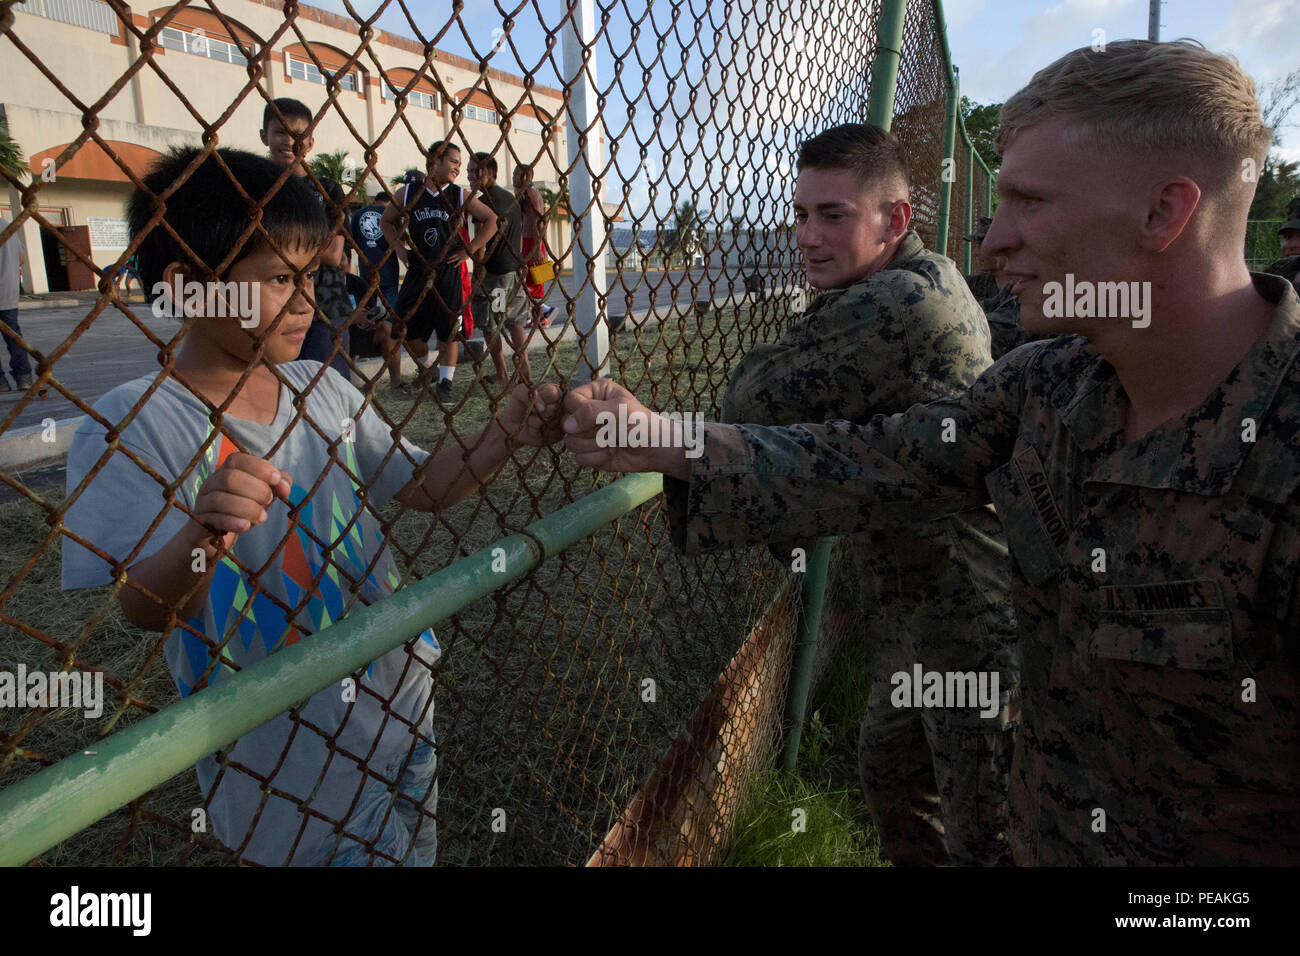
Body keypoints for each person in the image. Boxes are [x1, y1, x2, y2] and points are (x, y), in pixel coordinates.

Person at [561, 39, 1300, 865]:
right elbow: (884, 460)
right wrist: (664, 437)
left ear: (1164, 213)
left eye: (1029, 202)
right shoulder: (1048, 385)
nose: (991, 245)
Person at [60, 146, 557, 866]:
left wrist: (504, 434)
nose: (305, 301)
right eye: (277, 279)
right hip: (282, 759)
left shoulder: (319, 387)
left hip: (397, 699)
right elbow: (143, 606)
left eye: (311, 276)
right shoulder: (131, 423)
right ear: (188, 287)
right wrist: (204, 531)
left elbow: (422, 484)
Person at [717, 123, 1017, 866]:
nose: (808, 237)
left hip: (967, 621)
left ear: (895, 219)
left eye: (834, 216)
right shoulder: (927, 274)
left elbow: (749, 396)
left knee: (987, 835)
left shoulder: (894, 304)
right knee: (897, 789)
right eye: (801, 215)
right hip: (919, 604)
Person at [382, 141, 497, 406]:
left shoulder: (458, 194)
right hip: (418, 269)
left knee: (449, 332)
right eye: (454, 161)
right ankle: (427, 366)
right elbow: (386, 221)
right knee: (403, 332)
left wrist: (469, 250)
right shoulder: (409, 192)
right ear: (436, 159)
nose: (458, 167)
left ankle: (446, 383)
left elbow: (491, 221)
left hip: (449, 270)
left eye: (460, 163)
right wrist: (399, 248)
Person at [260, 97, 352, 379]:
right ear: (264, 136)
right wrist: (311, 248)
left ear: (311, 142)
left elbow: (334, 254)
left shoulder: (327, 190)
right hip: (270, 305)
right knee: (274, 388)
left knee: (329, 387)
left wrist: (272, 246)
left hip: (327, 300)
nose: (290, 142)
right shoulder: (255, 187)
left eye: (299, 135)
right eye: (280, 132)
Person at [468, 152, 533, 386]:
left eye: (473, 171)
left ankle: (502, 372)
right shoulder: (511, 199)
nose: (469, 176)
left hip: (495, 277)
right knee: (515, 322)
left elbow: (480, 243)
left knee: (491, 325)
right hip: (514, 272)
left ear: (487, 173)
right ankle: (524, 369)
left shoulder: (484, 202)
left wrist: (478, 270)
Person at [514, 163, 555, 327]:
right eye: (514, 174)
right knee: (525, 281)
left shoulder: (532, 193)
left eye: (518, 174)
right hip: (527, 241)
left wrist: (538, 246)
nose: (514, 177)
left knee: (531, 281)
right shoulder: (523, 194)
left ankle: (543, 312)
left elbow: (539, 220)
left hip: (533, 242)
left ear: (528, 177)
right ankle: (538, 314)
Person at [0, 215, 35, 392]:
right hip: (8, 294)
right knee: (14, 338)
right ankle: (24, 379)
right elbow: (21, 259)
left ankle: (1, 383)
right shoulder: (10, 228)